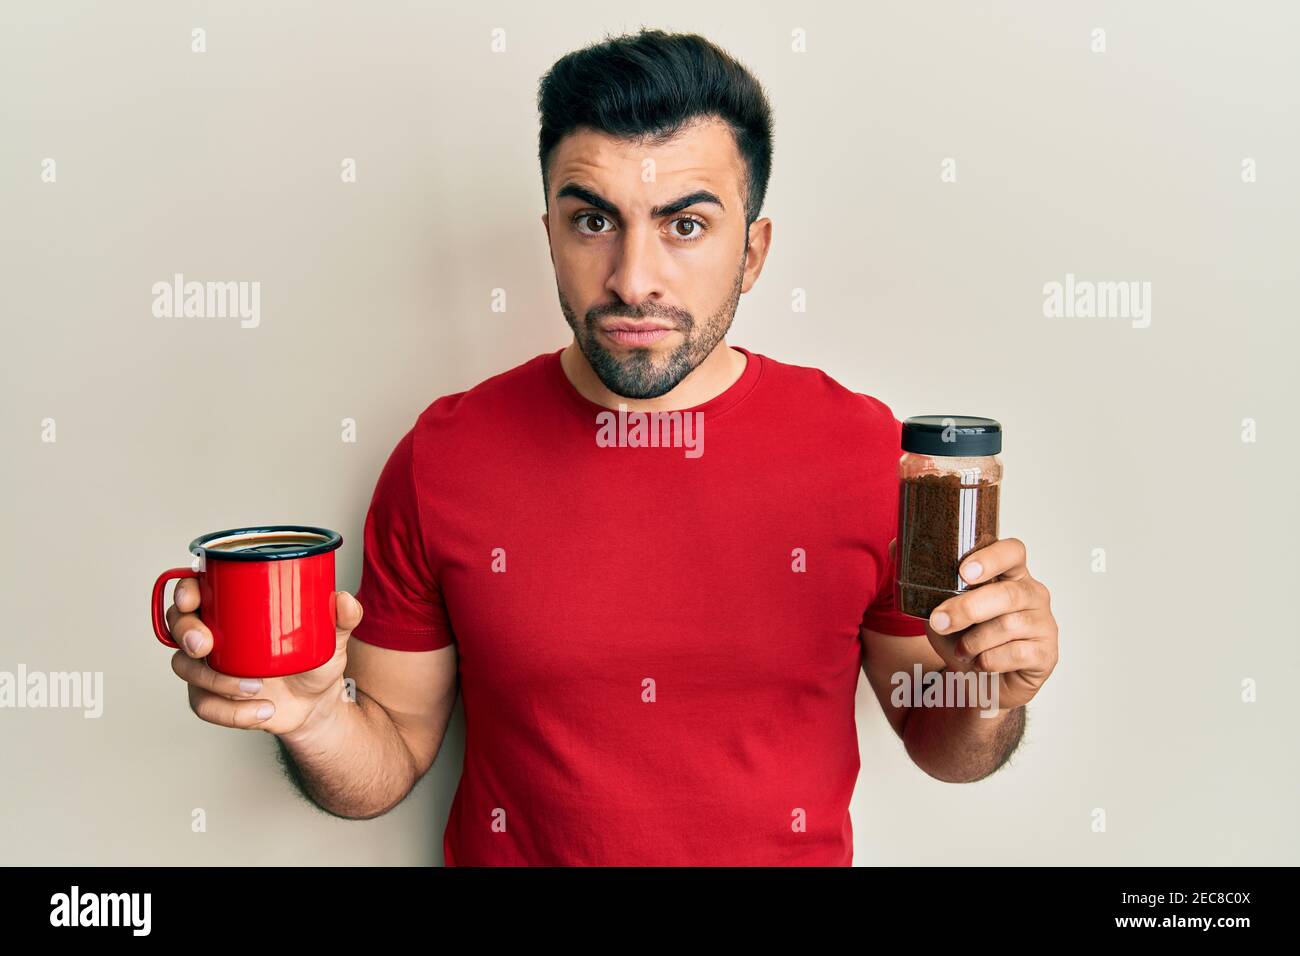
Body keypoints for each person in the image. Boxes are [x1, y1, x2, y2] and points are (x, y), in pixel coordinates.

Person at [164, 28, 1059, 866]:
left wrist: (990, 693)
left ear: (752, 254)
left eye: (685, 225)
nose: (634, 279)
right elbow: (389, 757)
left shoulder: (867, 453)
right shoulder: (443, 458)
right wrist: (314, 718)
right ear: (549, 233)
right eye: (594, 221)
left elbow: (944, 744)